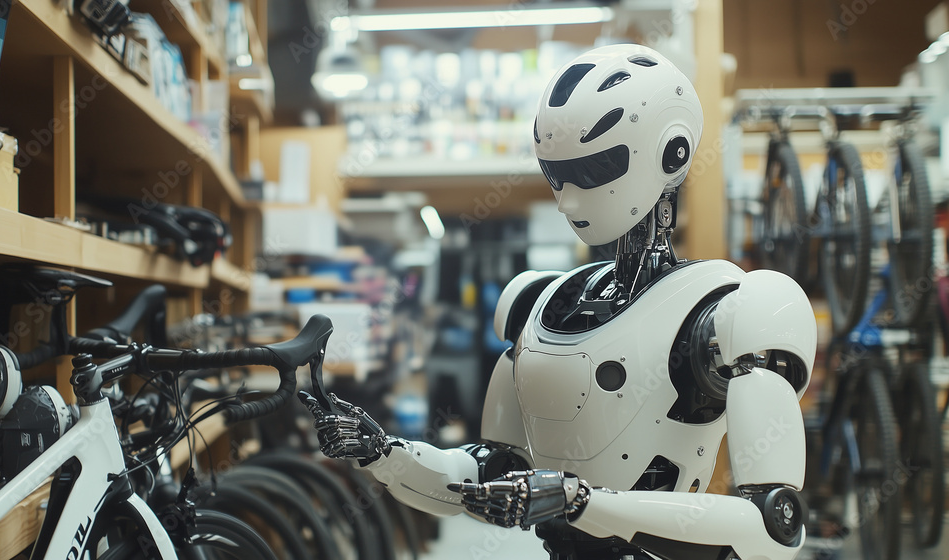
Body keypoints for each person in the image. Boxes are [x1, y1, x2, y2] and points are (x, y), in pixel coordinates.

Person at [300, 43, 817, 560]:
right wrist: (385, 454)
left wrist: (579, 502)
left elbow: (772, 527)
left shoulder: (731, 312)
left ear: (673, 154)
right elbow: (489, 472)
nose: (569, 199)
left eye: (595, 170)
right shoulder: (538, 302)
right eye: (556, 175)